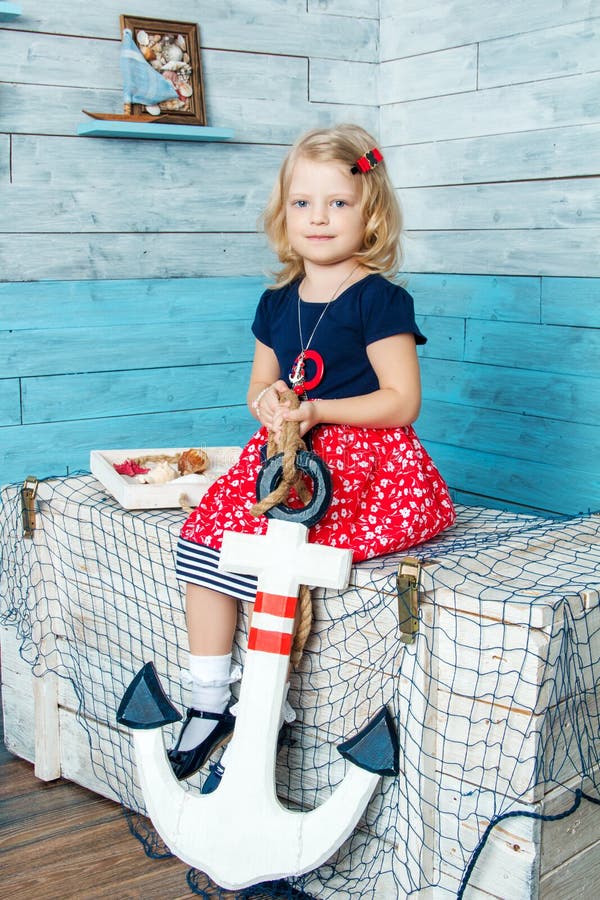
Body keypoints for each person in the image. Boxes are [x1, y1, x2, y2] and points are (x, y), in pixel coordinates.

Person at [168, 123, 455, 787]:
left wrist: (319, 410)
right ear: (283, 213)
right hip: (288, 459)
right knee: (204, 538)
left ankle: (274, 698)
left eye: (338, 203)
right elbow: (258, 387)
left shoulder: (380, 300)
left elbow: (400, 401)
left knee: (296, 550)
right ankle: (212, 696)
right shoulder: (275, 304)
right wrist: (272, 405)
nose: (318, 218)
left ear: (371, 213)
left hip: (364, 464)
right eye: (303, 203)